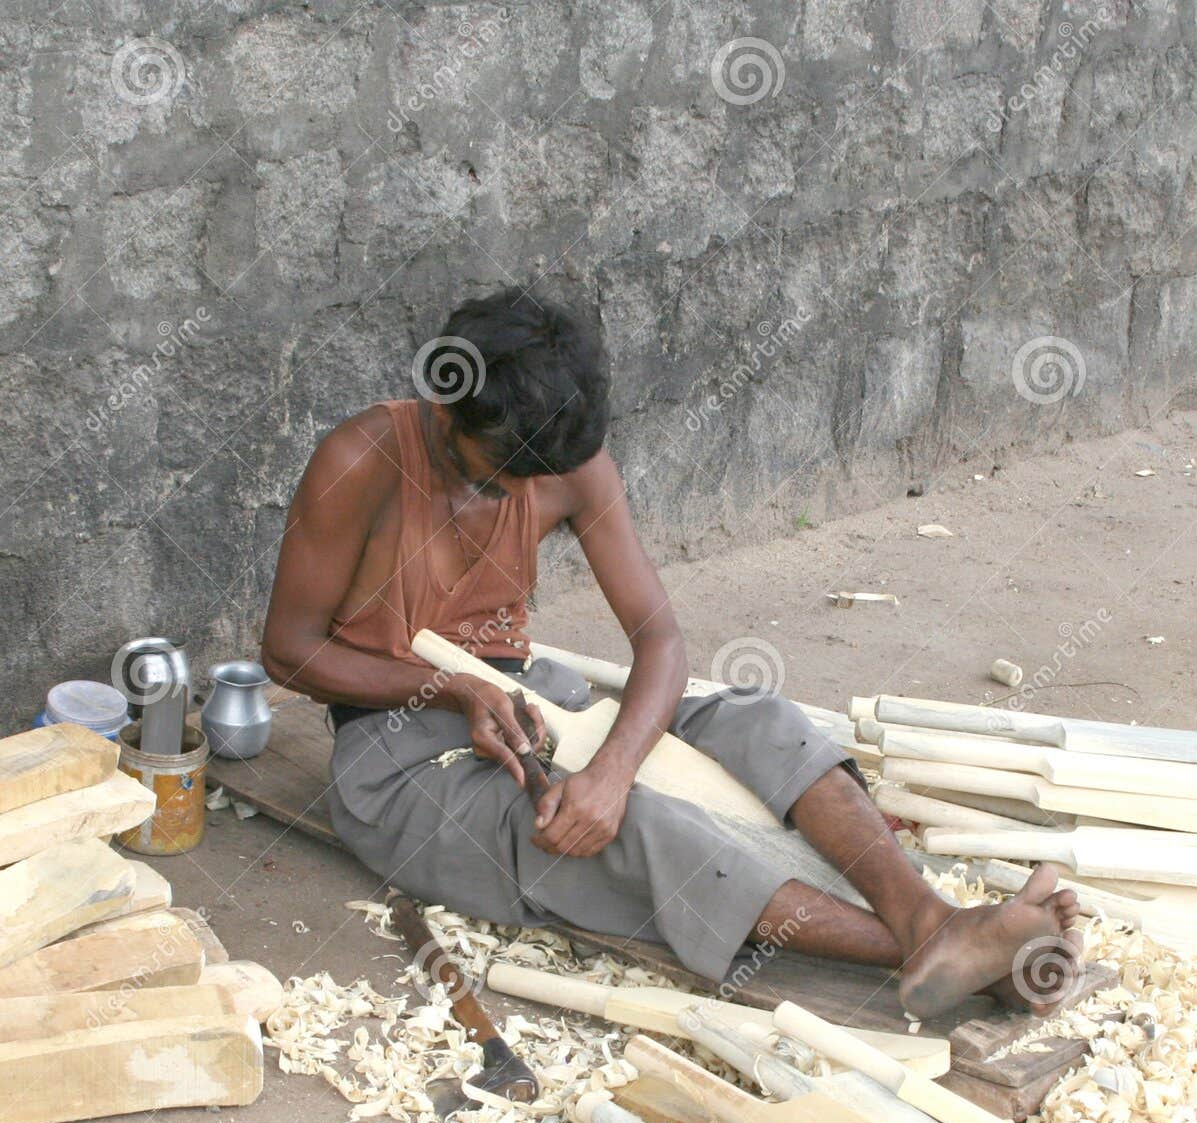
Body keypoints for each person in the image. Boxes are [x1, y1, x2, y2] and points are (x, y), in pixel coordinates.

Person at [261, 286, 1078, 1017]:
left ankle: (932, 924)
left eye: (531, 476)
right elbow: (288, 653)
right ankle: (950, 948)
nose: (514, 493)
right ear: (445, 408)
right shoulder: (363, 457)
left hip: (534, 701)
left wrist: (611, 770)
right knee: (630, 831)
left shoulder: (567, 464)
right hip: (397, 754)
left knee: (758, 721)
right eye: (493, 472)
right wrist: (448, 691)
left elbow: (658, 640)